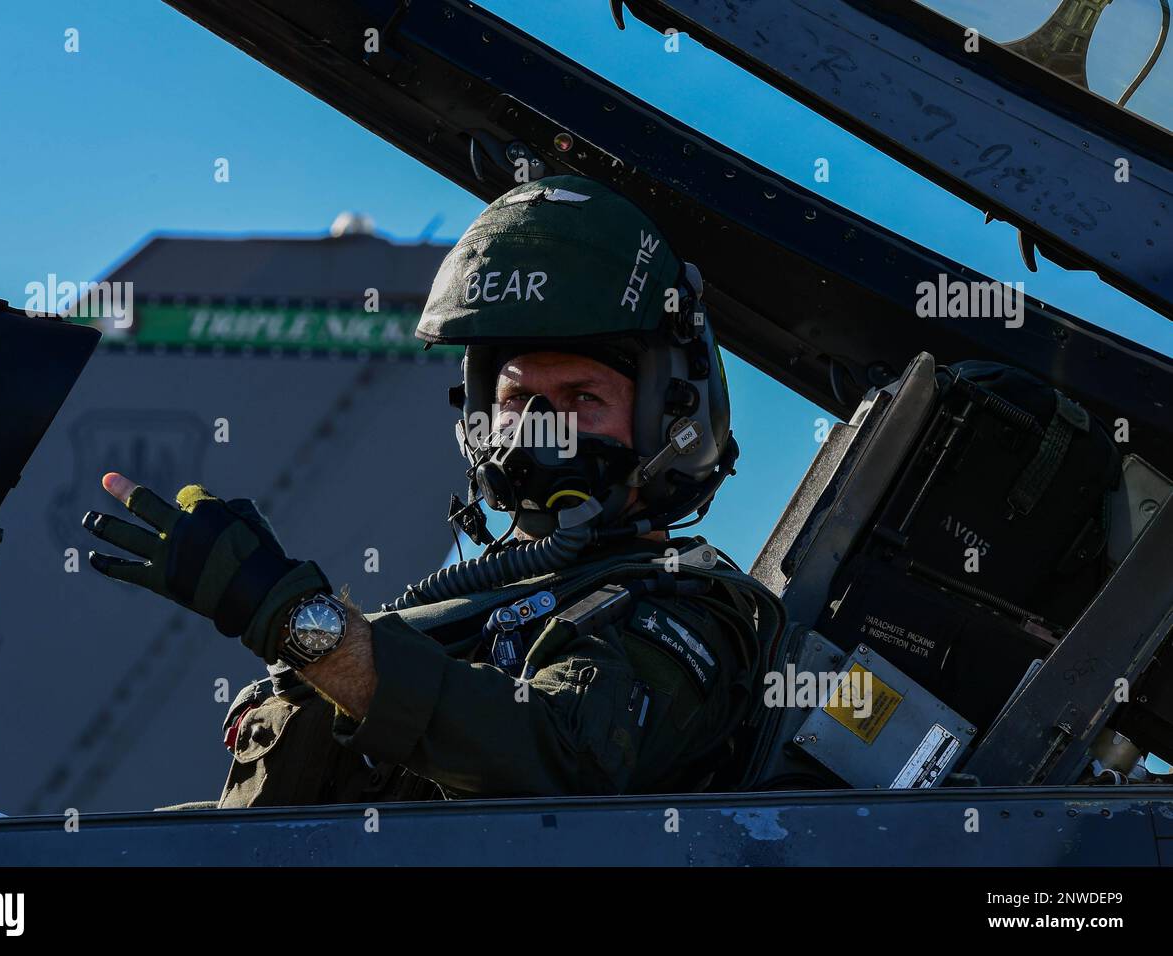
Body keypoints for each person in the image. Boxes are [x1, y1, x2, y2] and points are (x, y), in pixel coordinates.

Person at [82, 175, 784, 806]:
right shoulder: (474, 606)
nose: (538, 431)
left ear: (670, 415)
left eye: (580, 397)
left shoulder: (687, 615)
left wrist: (301, 624)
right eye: (516, 400)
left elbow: (561, 757)